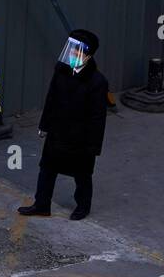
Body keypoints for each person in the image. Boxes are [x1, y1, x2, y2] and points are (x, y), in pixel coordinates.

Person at [19, 29, 109, 220]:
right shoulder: (62, 70)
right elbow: (51, 99)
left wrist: (93, 147)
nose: (73, 55)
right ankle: (42, 204)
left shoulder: (97, 82)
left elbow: (97, 118)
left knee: (82, 175)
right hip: (58, 132)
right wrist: (44, 125)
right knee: (47, 169)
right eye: (72, 51)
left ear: (88, 55)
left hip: (80, 138)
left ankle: (83, 206)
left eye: (77, 52)